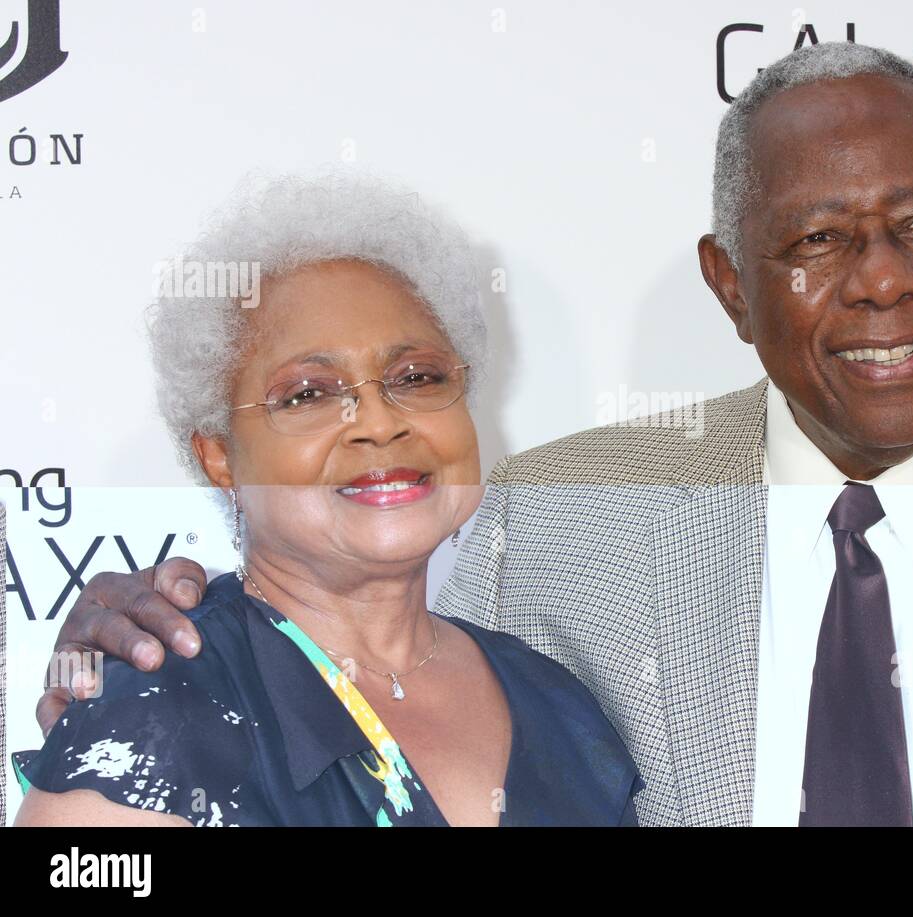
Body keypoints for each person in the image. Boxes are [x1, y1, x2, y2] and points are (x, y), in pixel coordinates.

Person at [41, 44, 913, 826]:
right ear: (727, 281)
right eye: (814, 241)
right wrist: (142, 650)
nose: (882, 283)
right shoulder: (559, 530)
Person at [14, 174, 641, 826]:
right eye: (309, 393)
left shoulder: (560, 706)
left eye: (417, 377)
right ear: (219, 453)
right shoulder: (155, 719)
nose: (377, 420)